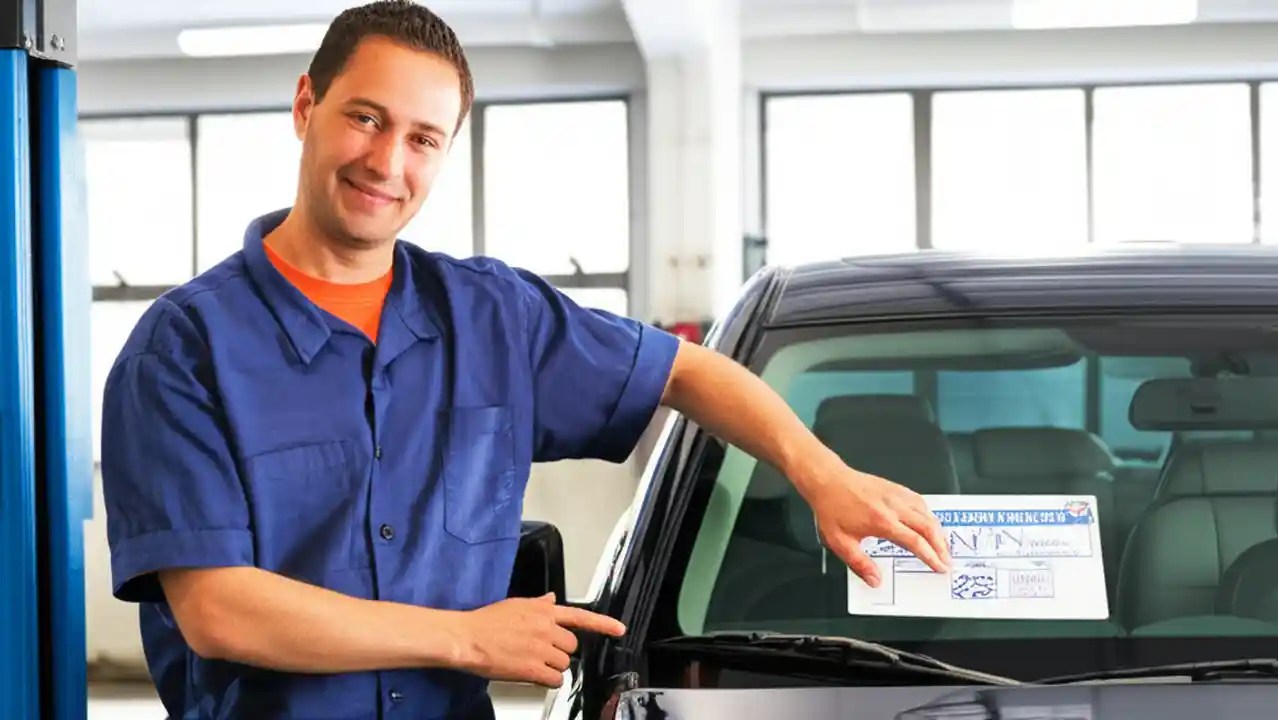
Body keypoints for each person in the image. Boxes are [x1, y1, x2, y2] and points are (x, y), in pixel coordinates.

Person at [99, 2, 951, 718]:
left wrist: (821, 473)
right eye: (366, 117)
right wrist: (465, 636)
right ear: (305, 105)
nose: (387, 162)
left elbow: (688, 372)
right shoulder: (184, 351)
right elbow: (219, 611)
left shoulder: (495, 317)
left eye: (423, 138)